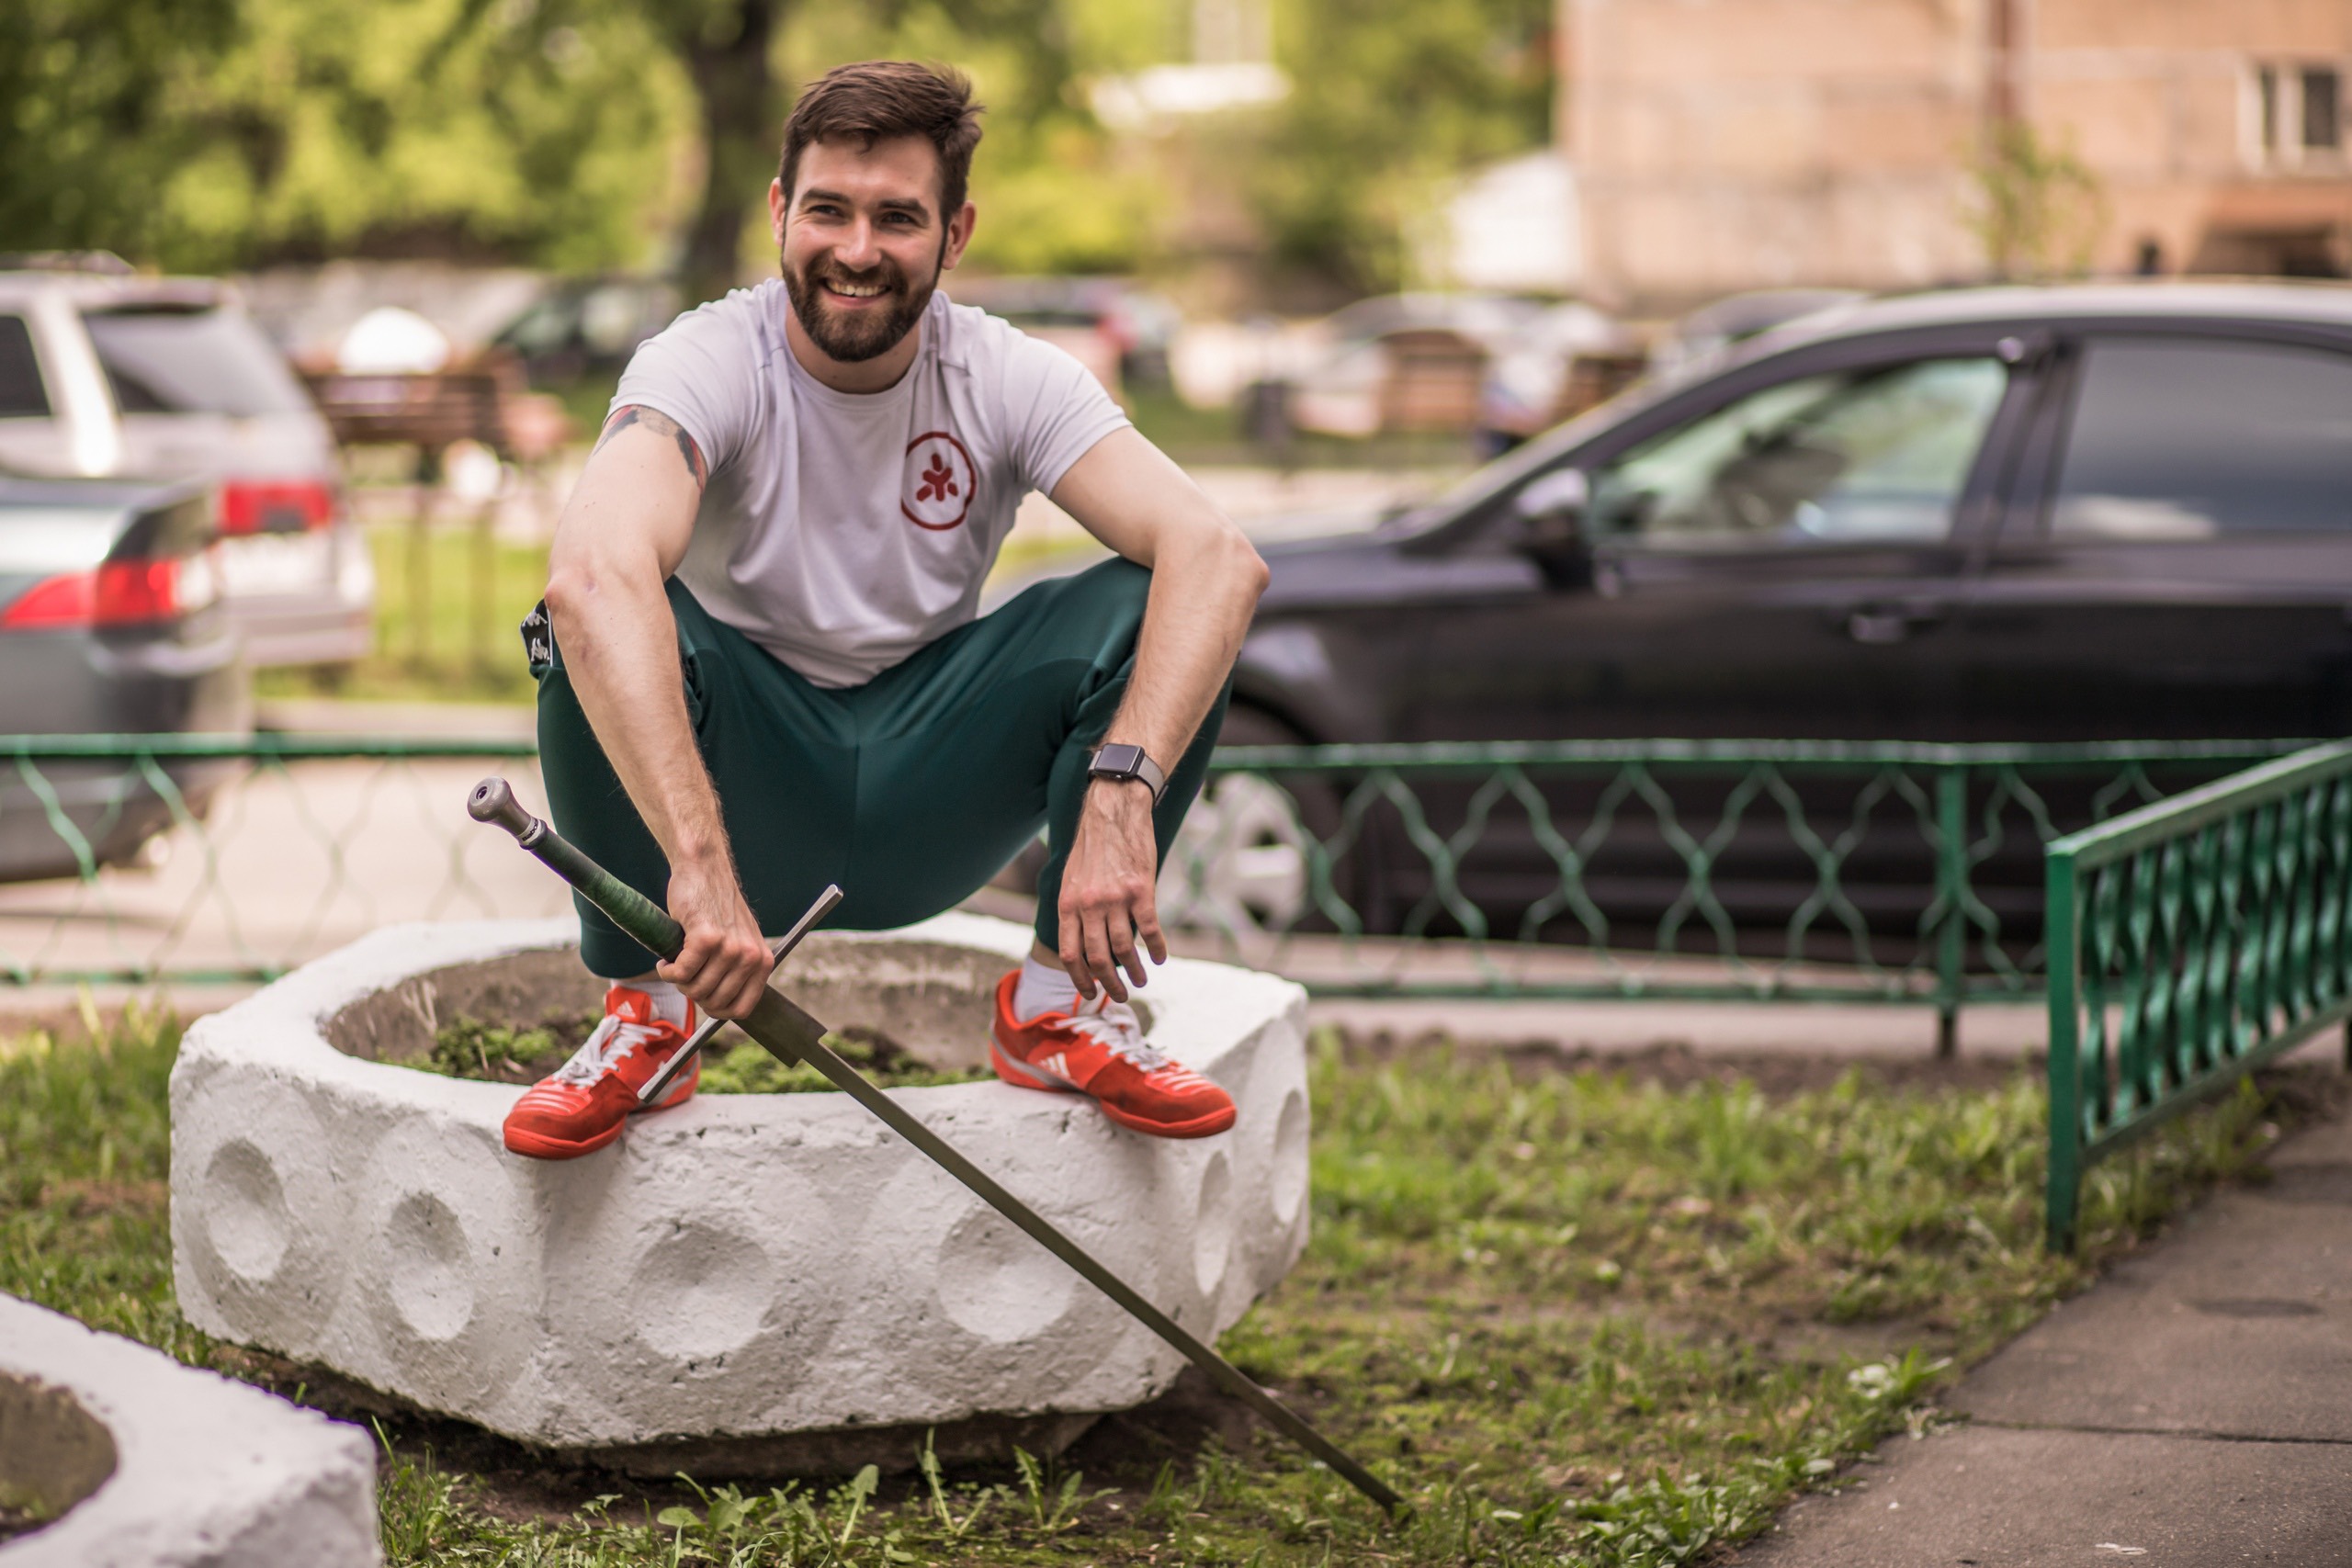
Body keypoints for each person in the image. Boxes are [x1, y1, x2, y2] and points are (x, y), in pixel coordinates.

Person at [499, 61, 1268, 1161]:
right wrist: (701, 863)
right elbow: (592, 570)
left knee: (1162, 597)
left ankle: (1056, 1006)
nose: (857, 249)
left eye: (897, 217)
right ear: (779, 212)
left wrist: (1120, 791)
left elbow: (1219, 555)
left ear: (953, 235)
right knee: (593, 614)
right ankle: (646, 1021)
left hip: (928, 787)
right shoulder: (709, 356)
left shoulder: (1006, 374)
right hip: (735, 791)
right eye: (828, 210)